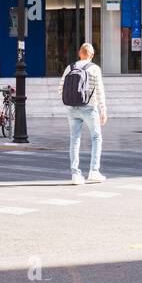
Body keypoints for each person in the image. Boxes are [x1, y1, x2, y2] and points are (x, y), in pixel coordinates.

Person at [59, 43, 106, 186]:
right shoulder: (95, 68)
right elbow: (99, 91)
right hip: (89, 107)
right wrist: (103, 110)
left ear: (80, 53)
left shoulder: (70, 67)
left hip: (72, 108)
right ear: (92, 55)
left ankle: (75, 174)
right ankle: (94, 171)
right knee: (96, 137)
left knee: (74, 139)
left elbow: (60, 88)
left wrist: (70, 101)